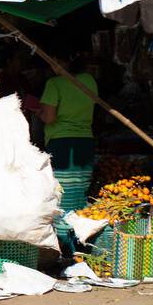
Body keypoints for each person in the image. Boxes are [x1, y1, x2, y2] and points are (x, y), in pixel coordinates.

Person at [40, 48, 98, 248]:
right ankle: (82, 242)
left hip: (62, 143)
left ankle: (65, 245)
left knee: (61, 195)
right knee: (79, 193)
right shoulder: (89, 80)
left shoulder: (54, 84)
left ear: (60, 61)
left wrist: (39, 112)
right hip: (85, 142)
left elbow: (49, 117)